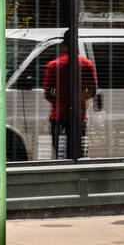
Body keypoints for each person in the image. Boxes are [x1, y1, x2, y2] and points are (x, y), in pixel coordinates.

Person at [42, 31, 98, 160]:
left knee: (60, 156)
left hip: (58, 116)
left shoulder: (53, 65)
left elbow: (47, 92)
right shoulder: (86, 64)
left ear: (63, 45)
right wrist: (80, 100)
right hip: (78, 116)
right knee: (78, 154)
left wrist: (58, 101)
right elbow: (92, 90)